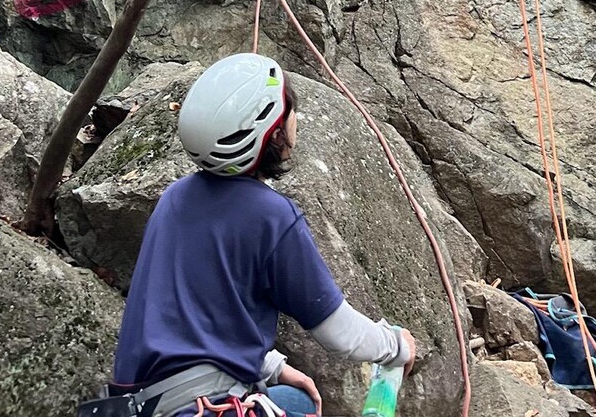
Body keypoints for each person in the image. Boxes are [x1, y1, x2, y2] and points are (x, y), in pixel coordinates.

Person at [107, 53, 417, 417]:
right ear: (274, 132)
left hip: (140, 405)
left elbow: (192, 319)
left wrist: (269, 368)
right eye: (290, 112)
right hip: (201, 408)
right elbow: (338, 332)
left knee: (296, 401)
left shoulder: (176, 198)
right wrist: (396, 345)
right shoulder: (272, 217)